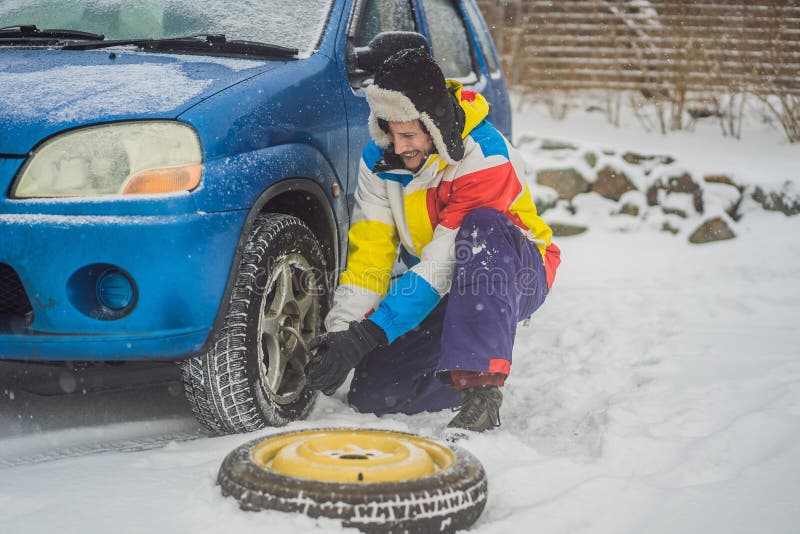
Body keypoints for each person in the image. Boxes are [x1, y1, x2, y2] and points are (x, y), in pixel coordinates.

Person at [305, 48, 560, 436]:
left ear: (435, 125)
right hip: (440, 282)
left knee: (482, 228)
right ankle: (460, 367)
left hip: (513, 270)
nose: (399, 146)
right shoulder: (380, 159)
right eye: (391, 133)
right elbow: (370, 253)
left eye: (409, 135)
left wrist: (370, 333)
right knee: (374, 394)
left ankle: (480, 389)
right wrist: (344, 334)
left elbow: (443, 261)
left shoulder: (486, 156)